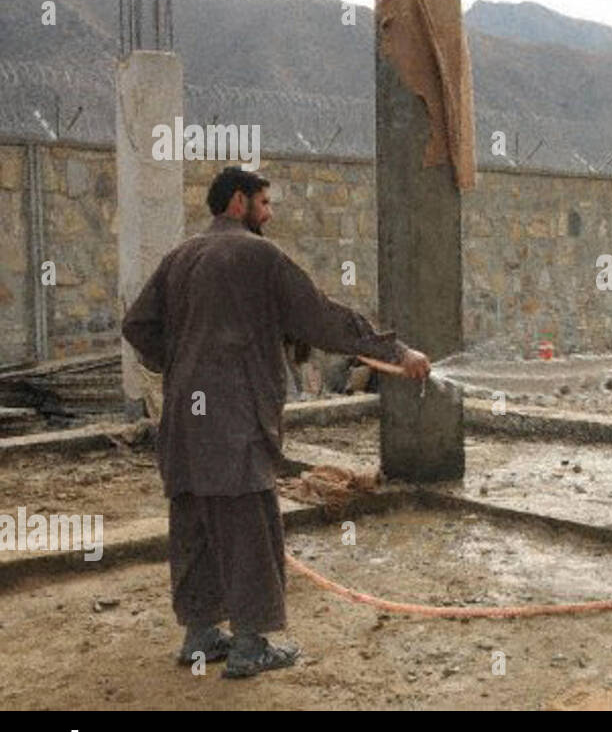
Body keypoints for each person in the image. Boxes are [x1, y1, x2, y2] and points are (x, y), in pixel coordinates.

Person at [122, 166, 431, 678]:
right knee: (248, 523)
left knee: (195, 519)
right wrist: (396, 351)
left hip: (184, 419)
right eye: (264, 204)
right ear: (238, 203)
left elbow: (137, 325)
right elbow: (322, 317)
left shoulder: (180, 257)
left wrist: (176, 364)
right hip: (235, 418)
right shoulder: (259, 255)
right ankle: (249, 646)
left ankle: (200, 635)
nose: (269, 214)